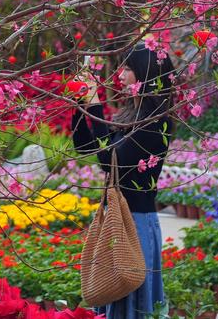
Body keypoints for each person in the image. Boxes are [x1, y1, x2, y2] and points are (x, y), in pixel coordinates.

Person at [71, 45, 174, 319]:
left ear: (147, 74)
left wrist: (96, 105)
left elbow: (110, 160)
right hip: (116, 216)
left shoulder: (155, 122)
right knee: (112, 295)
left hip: (135, 222)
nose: (120, 75)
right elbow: (84, 146)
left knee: (131, 302)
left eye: (127, 69)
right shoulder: (130, 114)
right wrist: (82, 106)